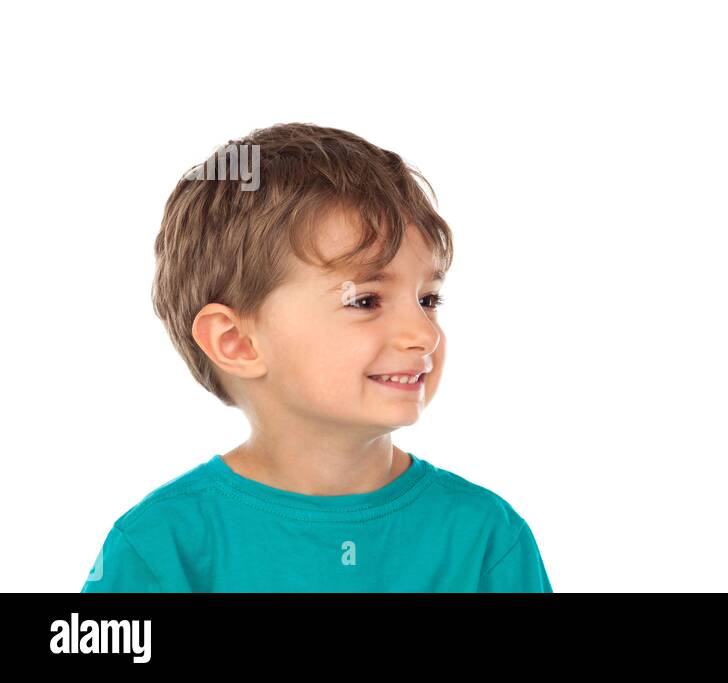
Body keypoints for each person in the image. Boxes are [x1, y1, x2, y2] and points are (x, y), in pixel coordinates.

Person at [81, 123, 551, 592]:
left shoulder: (486, 538)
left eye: (428, 300)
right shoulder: (161, 546)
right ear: (236, 342)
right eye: (365, 301)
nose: (423, 334)